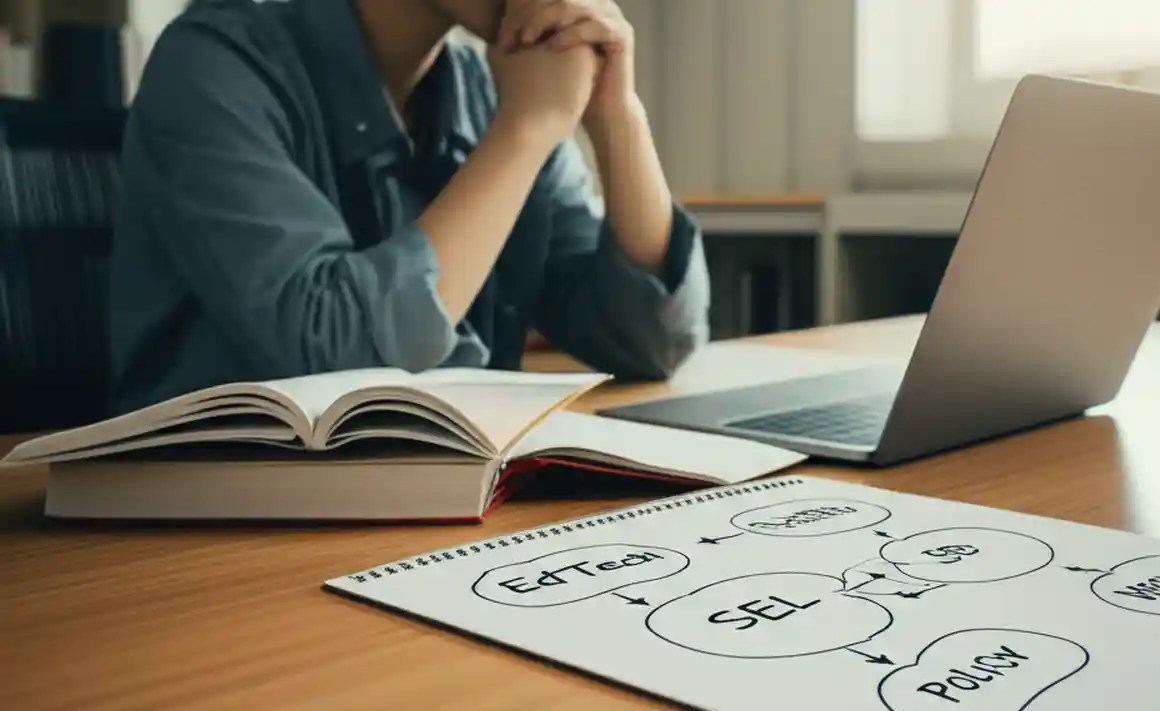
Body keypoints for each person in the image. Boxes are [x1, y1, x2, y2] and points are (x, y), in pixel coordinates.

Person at [108, 0, 710, 413]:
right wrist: (526, 130)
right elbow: (339, 364)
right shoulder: (212, 65)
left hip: (427, 507)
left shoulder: (488, 87)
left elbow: (650, 346)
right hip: (203, 525)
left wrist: (616, 116)